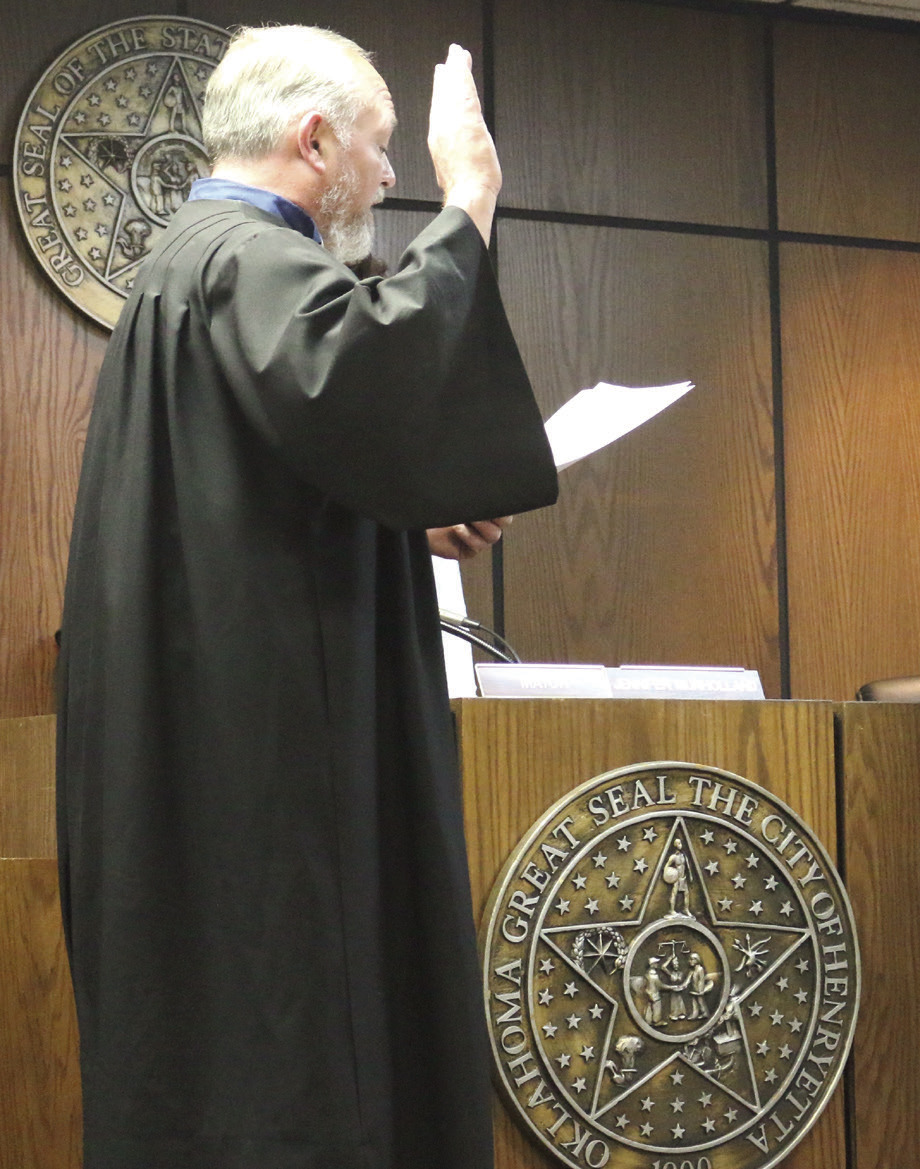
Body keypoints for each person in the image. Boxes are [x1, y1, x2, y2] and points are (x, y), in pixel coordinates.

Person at [56, 26, 558, 1169]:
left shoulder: (186, 262)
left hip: (204, 734)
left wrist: (400, 511)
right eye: (381, 152)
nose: (391, 177)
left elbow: (278, 469)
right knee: (297, 1054)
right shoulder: (246, 255)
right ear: (315, 137)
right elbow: (360, 368)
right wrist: (471, 201)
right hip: (267, 762)